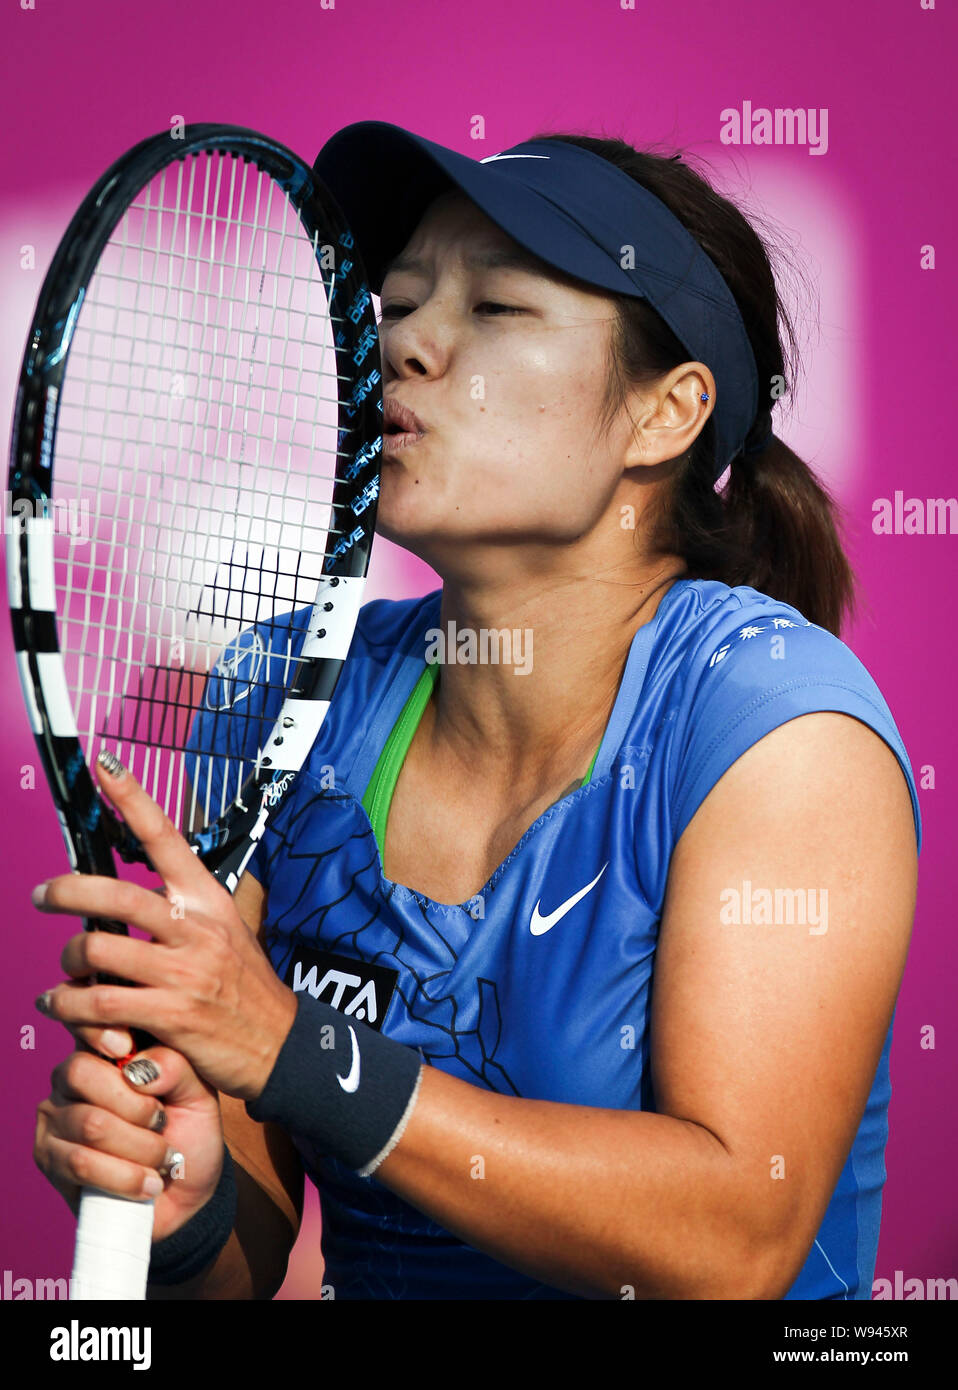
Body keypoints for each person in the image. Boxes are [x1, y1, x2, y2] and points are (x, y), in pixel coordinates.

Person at [31, 123, 920, 1300]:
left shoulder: (776, 726)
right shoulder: (278, 694)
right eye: (397, 303)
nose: (404, 345)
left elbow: (736, 1241)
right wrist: (187, 1212)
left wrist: (299, 1052)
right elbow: (240, 1266)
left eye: (496, 309)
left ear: (665, 414)